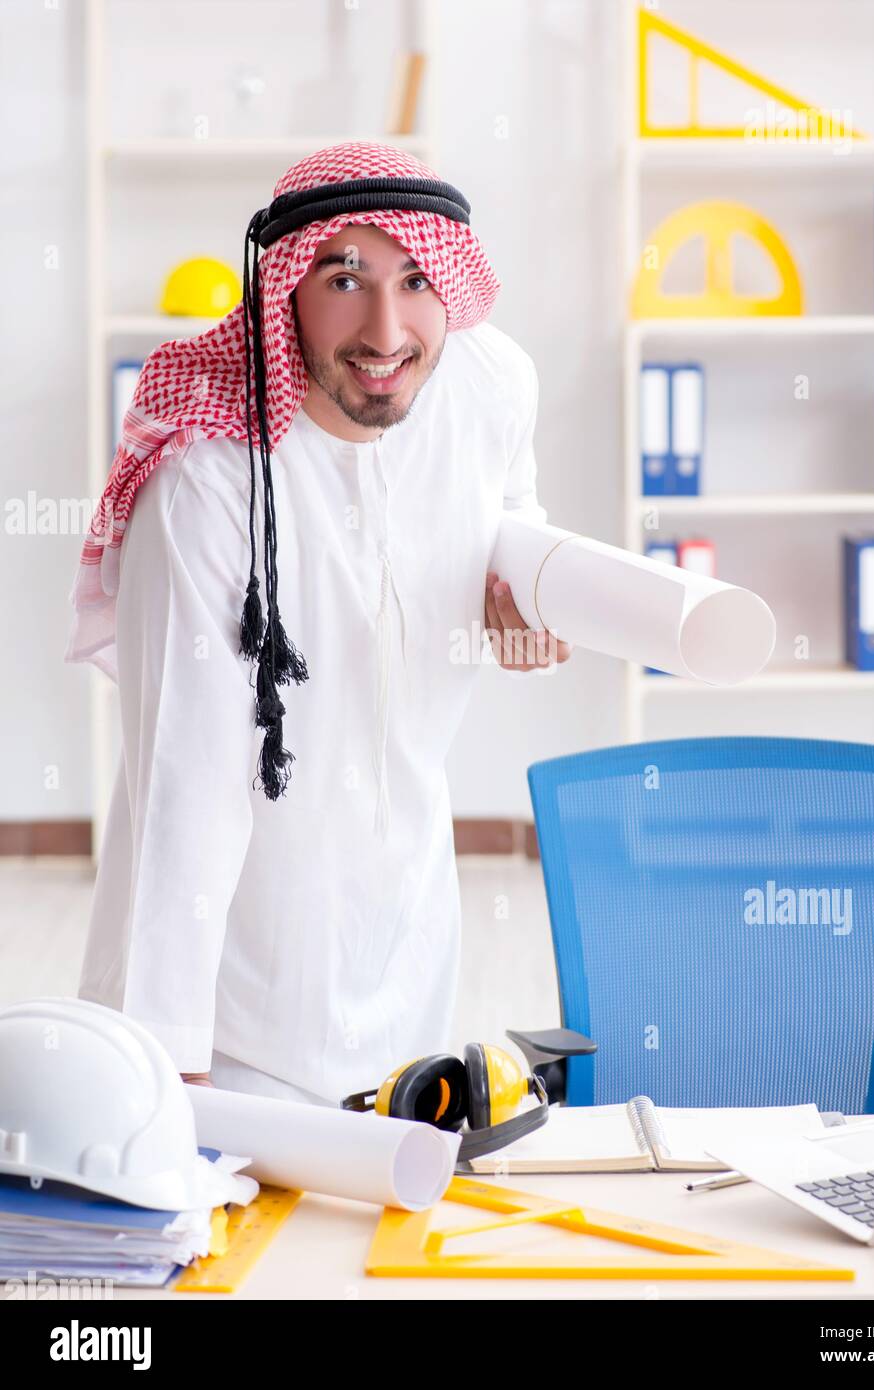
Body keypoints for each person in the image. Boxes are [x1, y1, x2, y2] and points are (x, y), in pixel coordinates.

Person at [65, 142, 570, 1105]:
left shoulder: (488, 386)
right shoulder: (210, 482)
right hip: (234, 1014)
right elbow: (186, 796)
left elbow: (513, 508)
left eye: (416, 279)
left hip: (410, 959)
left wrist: (531, 597)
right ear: (286, 290)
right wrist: (171, 1073)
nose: (386, 329)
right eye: (345, 278)